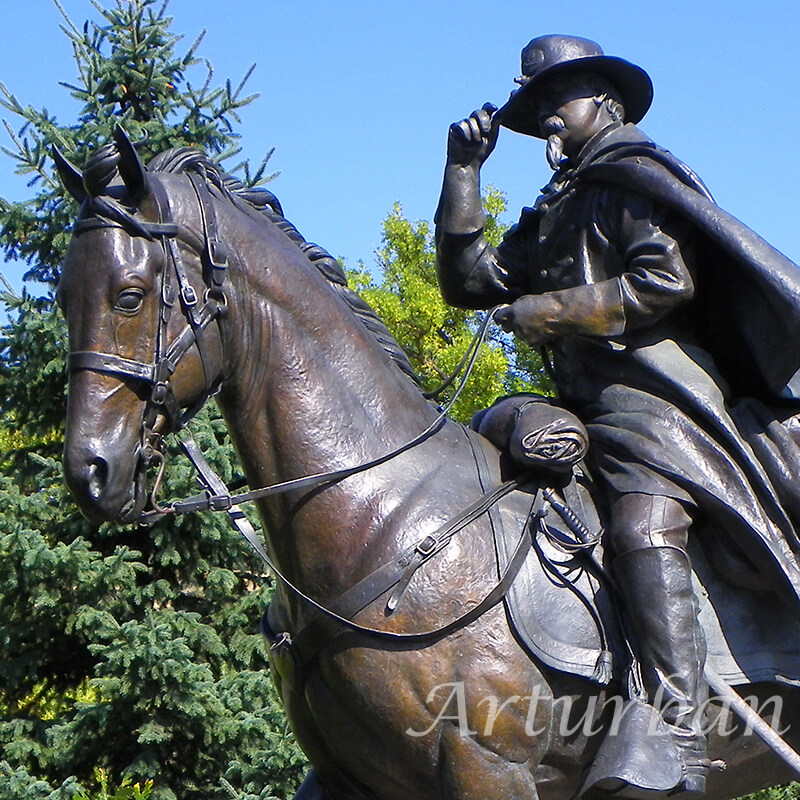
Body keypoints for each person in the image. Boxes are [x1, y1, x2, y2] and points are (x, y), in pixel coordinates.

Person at [435, 34, 800, 797]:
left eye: (556, 101)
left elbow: (664, 282)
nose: (546, 117)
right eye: (536, 106)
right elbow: (469, 282)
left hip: (656, 402)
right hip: (581, 404)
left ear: (604, 100)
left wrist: (549, 311)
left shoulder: (632, 176)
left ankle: (677, 734)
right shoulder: (555, 205)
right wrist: (463, 172)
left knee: (641, 525)